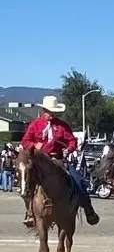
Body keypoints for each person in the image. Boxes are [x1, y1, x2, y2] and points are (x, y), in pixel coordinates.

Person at [20, 96, 100, 226]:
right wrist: (34, 146)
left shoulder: (62, 126)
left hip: (58, 159)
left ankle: (88, 210)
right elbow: (25, 141)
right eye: (49, 112)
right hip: (39, 162)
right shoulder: (35, 125)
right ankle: (30, 212)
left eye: (54, 112)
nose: (52, 115)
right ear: (44, 110)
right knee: (27, 183)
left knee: (78, 181)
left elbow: (72, 141)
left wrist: (68, 149)